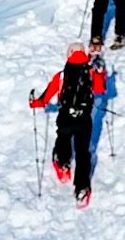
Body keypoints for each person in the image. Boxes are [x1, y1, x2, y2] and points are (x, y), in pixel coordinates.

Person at [29, 41, 107, 207]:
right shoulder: (91, 72)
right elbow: (100, 90)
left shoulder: (62, 76)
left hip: (65, 117)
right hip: (84, 120)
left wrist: (34, 102)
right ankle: (82, 188)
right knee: (82, 152)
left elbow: (45, 98)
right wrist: (101, 73)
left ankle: (63, 164)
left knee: (63, 138)